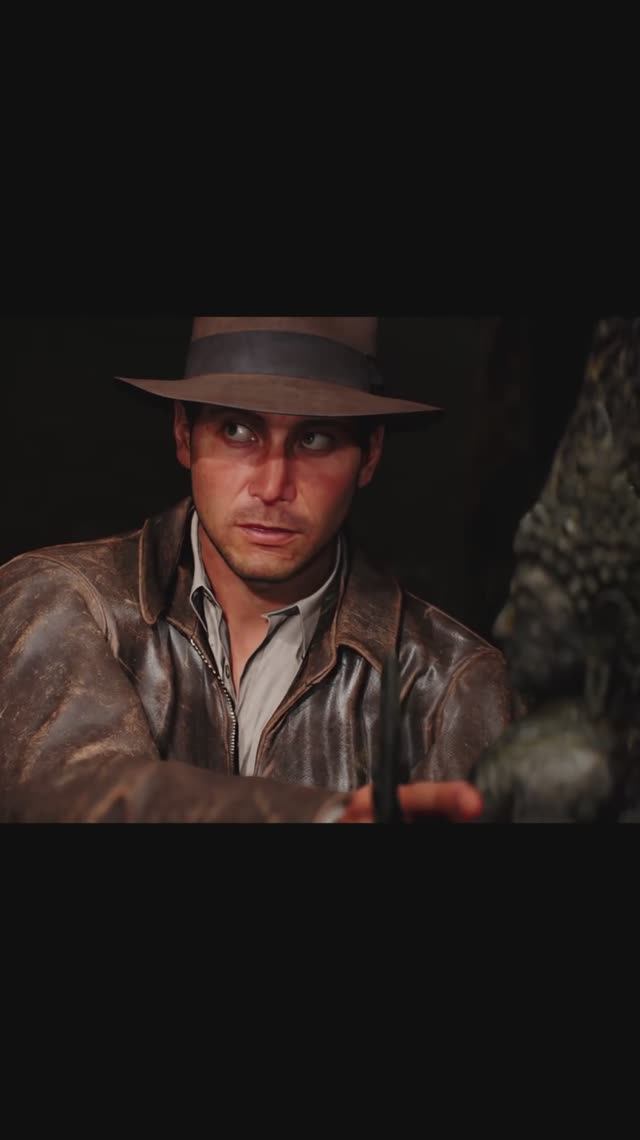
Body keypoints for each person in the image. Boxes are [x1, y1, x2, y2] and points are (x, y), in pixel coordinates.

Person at [0, 317, 513, 823]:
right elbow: (78, 792)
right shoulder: (65, 599)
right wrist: (330, 818)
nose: (272, 487)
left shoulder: (450, 684)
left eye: (315, 439)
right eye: (238, 430)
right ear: (184, 434)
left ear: (370, 454)